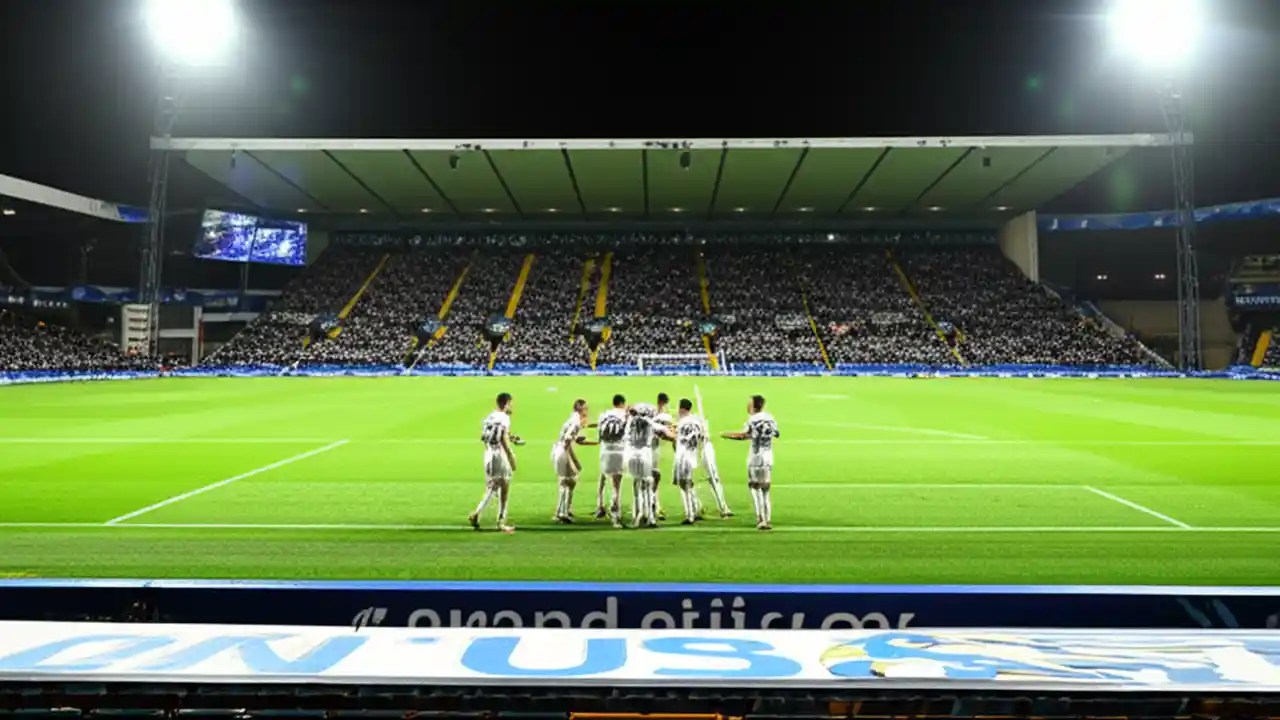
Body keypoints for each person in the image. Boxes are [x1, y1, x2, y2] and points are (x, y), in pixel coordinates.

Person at [721, 394, 779, 530]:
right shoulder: (771, 418)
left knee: (754, 486)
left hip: (755, 457)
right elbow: (776, 433)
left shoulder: (752, 420)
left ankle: (760, 517)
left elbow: (743, 436)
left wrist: (727, 434)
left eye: (749, 403)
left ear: (754, 406)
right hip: (768, 456)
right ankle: (767, 518)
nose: (747, 405)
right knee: (766, 488)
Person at [469, 392, 517, 533]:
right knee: (505, 485)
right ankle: (501, 521)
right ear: (506, 403)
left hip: (488, 453)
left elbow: (485, 437)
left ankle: (477, 514)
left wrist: (511, 437)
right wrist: (511, 456)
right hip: (498, 454)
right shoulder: (504, 418)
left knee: (493, 486)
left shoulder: (489, 417)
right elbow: (502, 438)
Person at [624, 402, 672, 528]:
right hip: (645, 453)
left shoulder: (630, 423)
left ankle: (638, 516)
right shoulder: (651, 423)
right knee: (648, 485)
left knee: (637, 486)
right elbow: (664, 431)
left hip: (632, 454)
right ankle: (650, 517)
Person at [552, 398, 595, 523]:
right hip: (562, 450)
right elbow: (568, 438)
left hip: (561, 449)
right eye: (586, 408)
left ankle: (564, 509)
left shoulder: (574, 419)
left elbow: (576, 435)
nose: (587, 411)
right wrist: (568, 454)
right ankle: (562, 512)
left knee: (571, 479)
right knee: (567, 481)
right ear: (580, 409)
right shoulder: (575, 422)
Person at [593, 394, 628, 528]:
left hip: (605, 450)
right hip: (619, 450)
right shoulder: (625, 415)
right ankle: (615, 517)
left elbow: (599, 436)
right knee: (616, 487)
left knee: (603, 478)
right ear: (622, 403)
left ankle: (600, 506)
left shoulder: (604, 415)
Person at [650, 392, 675, 521]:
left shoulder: (651, 413)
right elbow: (668, 432)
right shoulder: (664, 417)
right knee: (654, 478)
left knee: (652, 479)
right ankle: (654, 507)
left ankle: (654, 506)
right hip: (652, 450)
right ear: (663, 402)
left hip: (647, 449)